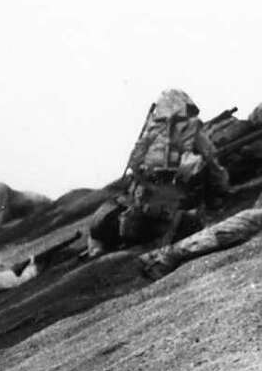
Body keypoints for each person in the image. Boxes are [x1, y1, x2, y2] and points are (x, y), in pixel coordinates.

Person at [85, 89, 231, 257]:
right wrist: (222, 190)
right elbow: (213, 163)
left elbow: (133, 165)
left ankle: (99, 248)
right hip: (166, 215)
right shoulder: (191, 129)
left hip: (135, 213)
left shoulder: (150, 133)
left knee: (108, 219)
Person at [141, 188, 262, 281]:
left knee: (242, 220)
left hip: (230, 229)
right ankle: (161, 260)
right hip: (228, 230)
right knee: (243, 219)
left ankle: (163, 261)